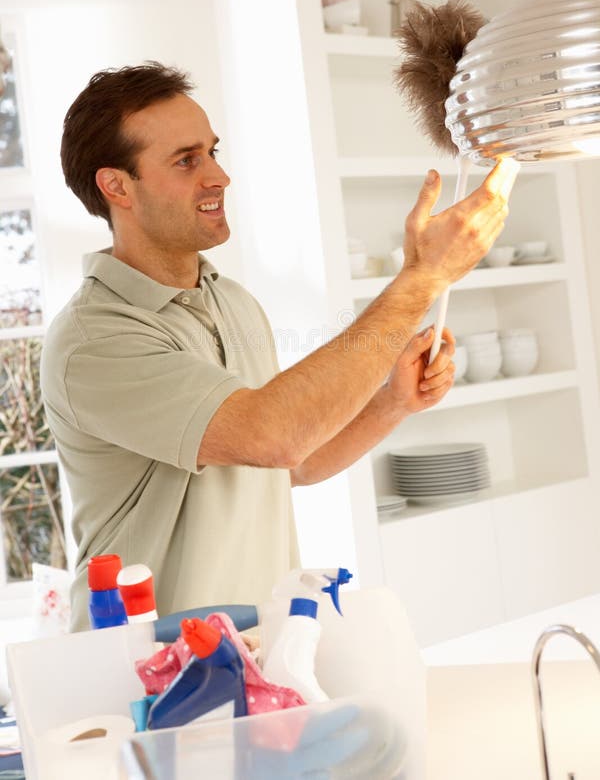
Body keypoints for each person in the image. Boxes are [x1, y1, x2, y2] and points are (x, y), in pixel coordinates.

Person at [40, 62, 514, 631]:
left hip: (257, 654)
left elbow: (293, 461)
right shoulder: (94, 339)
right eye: (187, 160)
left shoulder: (234, 303)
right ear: (117, 186)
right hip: (148, 679)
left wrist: (392, 402)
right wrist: (422, 279)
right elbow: (273, 433)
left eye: (213, 153)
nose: (219, 176)